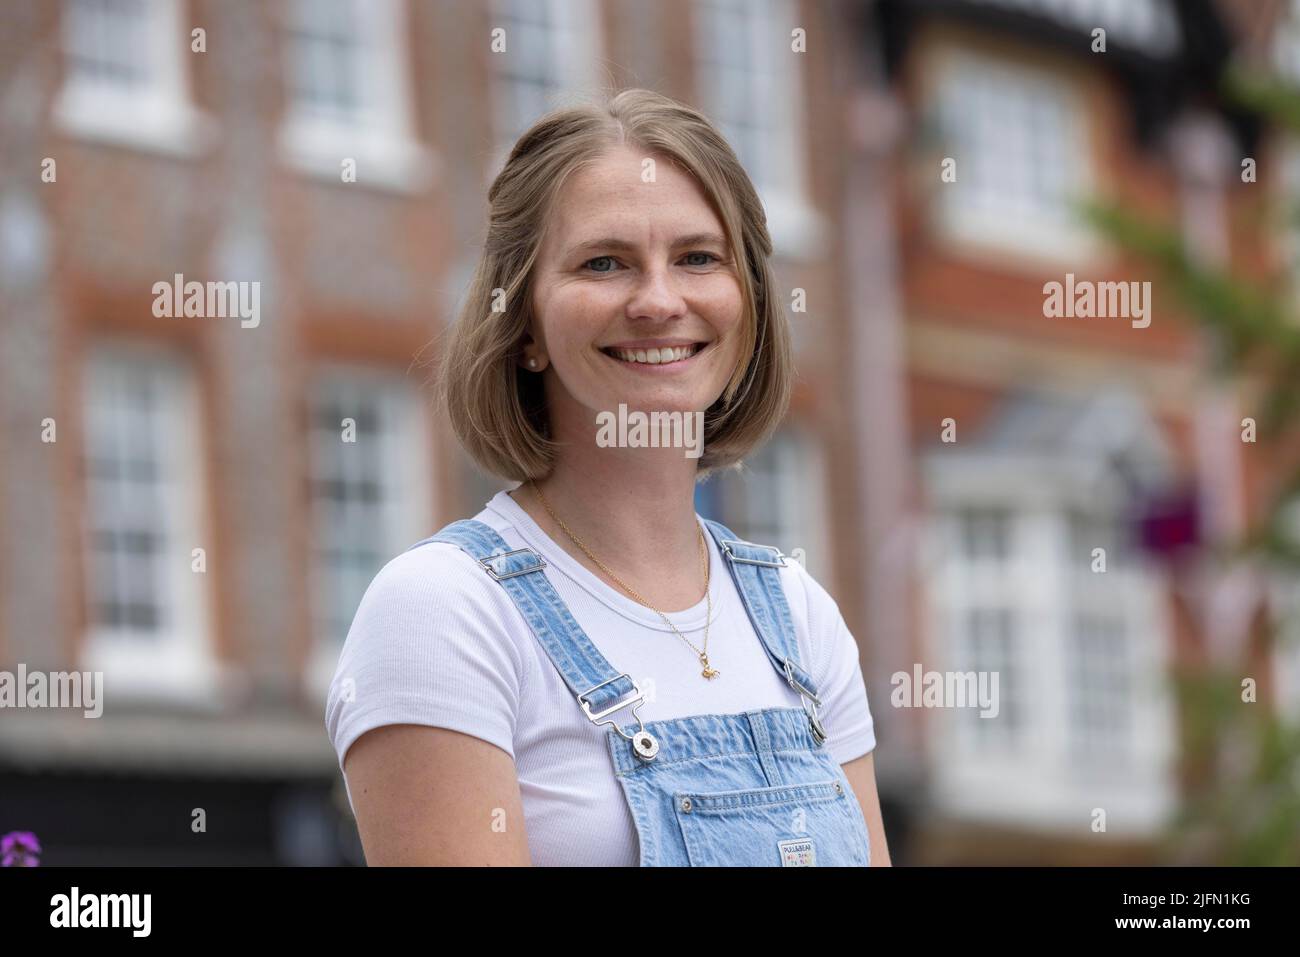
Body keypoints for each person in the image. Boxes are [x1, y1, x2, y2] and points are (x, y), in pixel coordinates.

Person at [325, 88, 890, 866]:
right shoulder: (446, 613)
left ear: (749, 304)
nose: (659, 300)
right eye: (604, 262)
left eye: (698, 257)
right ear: (523, 324)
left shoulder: (800, 619)